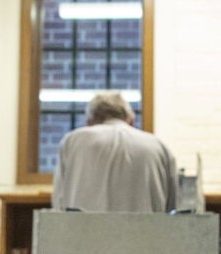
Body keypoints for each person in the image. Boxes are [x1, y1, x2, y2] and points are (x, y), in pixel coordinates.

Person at [50, 91, 180, 213]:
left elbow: (59, 202)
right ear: (131, 122)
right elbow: (172, 206)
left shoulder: (73, 141)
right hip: (146, 234)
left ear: (89, 122)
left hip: (84, 234)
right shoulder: (157, 145)